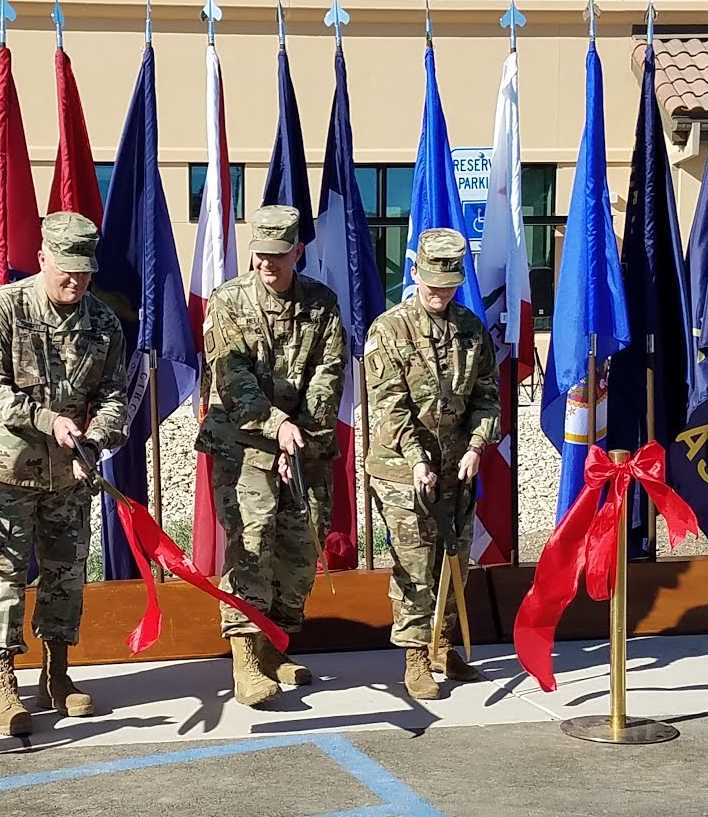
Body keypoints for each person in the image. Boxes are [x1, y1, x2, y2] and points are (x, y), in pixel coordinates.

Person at [0, 211, 128, 736]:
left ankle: (57, 673)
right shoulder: (4, 308)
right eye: (65, 269)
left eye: (83, 271)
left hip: (70, 476)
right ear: (42, 259)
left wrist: (97, 439)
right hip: (10, 470)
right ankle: (3, 684)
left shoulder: (102, 322)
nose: (74, 281)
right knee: (5, 576)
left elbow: (113, 396)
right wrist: (45, 419)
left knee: (66, 574)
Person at [198, 204, 345, 707]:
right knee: (252, 540)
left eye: (278, 256)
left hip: (303, 443)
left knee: (300, 545)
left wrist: (298, 435)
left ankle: (274, 645)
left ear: (297, 253)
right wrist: (275, 425)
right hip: (243, 443)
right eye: (260, 254)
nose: (267, 264)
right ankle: (245, 660)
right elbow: (231, 375)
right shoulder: (229, 301)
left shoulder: (322, 304)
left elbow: (328, 374)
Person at [364, 228, 502, 700]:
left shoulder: (470, 329)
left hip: (455, 466)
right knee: (415, 560)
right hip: (402, 468)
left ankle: (442, 642)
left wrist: (478, 445)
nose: (438, 293)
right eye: (430, 284)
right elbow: (390, 404)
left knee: (454, 556)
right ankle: (415, 655)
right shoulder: (388, 329)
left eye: (447, 285)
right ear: (416, 275)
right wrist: (418, 458)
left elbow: (487, 397)